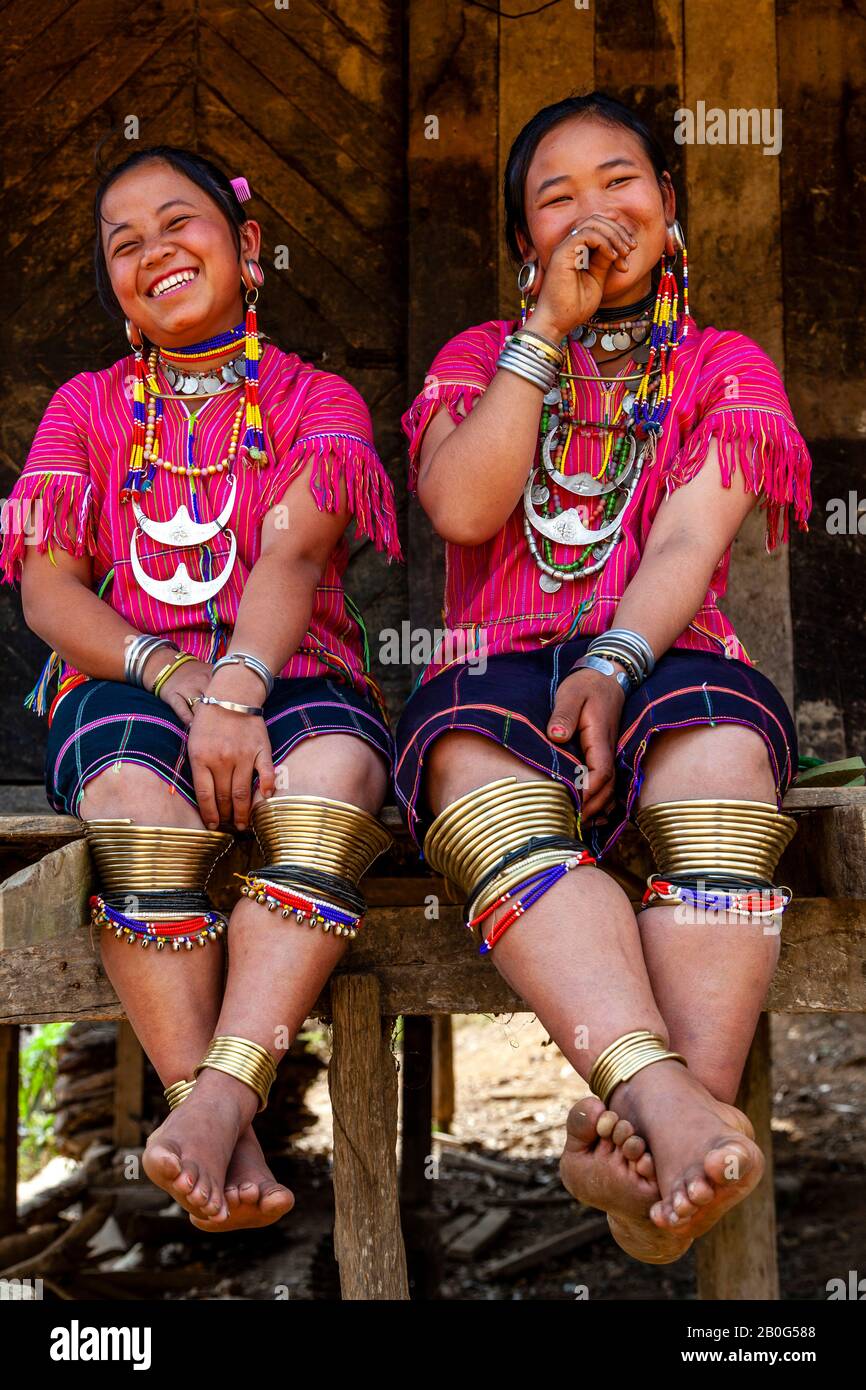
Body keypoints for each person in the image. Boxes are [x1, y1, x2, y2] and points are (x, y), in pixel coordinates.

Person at [395, 93, 812, 1264]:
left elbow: (685, 544)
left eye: (619, 180)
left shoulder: (723, 365)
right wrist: (543, 331)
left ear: (669, 207)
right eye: (554, 196)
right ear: (524, 243)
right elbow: (465, 507)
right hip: (498, 667)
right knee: (476, 771)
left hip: (669, 655)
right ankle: (675, 1122)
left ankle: (651, 1140)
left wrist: (618, 663)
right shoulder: (481, 360)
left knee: (725, 770)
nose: (593, 210)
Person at [1, 146, 401, 1232]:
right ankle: (209, 1111)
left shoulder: (316, 399)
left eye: (177, 223)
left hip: (297, 673)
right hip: (126, 680)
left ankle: (216, 1103)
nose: (151, 252)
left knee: (331, 780)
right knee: (135, 800)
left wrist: (232, 691)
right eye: (122, 243)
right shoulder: (84, 408)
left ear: (247, 249)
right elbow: (48, 590)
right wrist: (172, 670)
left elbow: (291, 556)